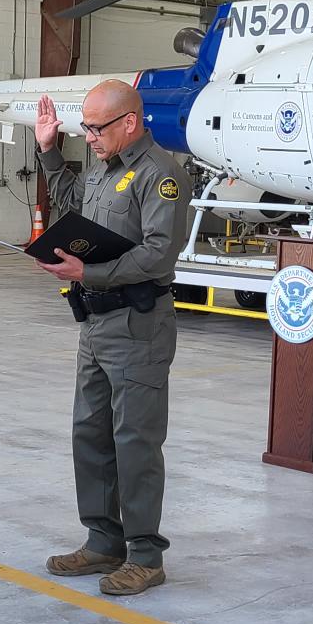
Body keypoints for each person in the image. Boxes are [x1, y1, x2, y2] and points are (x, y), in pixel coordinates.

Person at [34, 82, 189, 596]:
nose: (90, 137)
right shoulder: (105, 168)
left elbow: (158, 255)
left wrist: (88, 272)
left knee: (135, 442)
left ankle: (145, 554)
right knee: (90, 434)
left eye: (96, 128)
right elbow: (72, 201)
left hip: (138, 326)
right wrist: (49, 151)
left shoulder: (161, 175)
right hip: (96, 325)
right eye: (85, 128)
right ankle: (103, 541)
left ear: (129, 122)